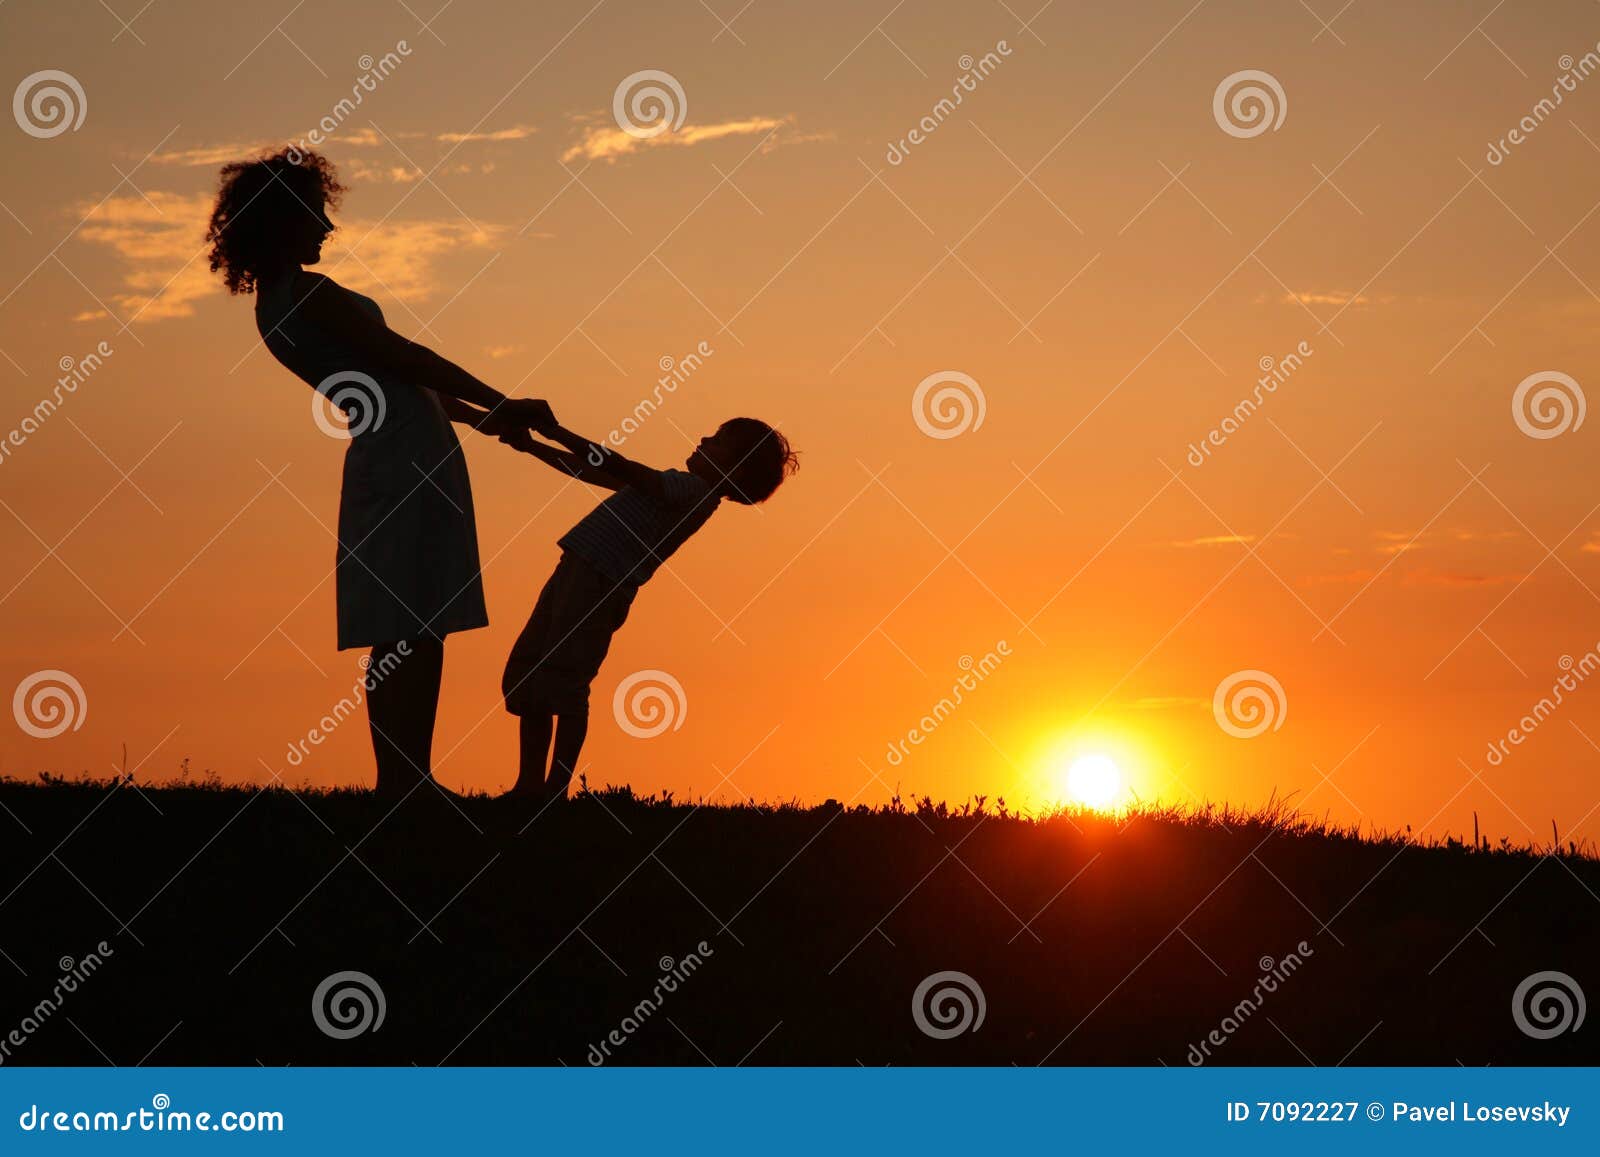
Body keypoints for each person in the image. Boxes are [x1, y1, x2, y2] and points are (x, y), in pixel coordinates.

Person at [206, 148, 553, 798]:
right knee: (417, 623)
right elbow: (407, 359)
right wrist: (502, 401)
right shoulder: (308, 296)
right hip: (408, 456)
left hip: (388, 451)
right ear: (285, 220)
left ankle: (402, 776)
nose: (327, 228)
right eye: (315, 213)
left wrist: (485, 420)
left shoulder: (272, 308)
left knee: (401, 623)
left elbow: (394, 379)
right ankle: (407, 778)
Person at [497, 419, 798, 800]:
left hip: (597, 582)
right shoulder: (678, 489)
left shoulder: (692, 490)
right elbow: (594, 470)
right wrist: (532, 446)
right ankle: (530, 786)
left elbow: (616, 465)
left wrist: (554, 431)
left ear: (735, 469)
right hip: (580, 569)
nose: (703, 439)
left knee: (565, 680)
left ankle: (552, 790)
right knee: (535, 674)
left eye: (718, 442)